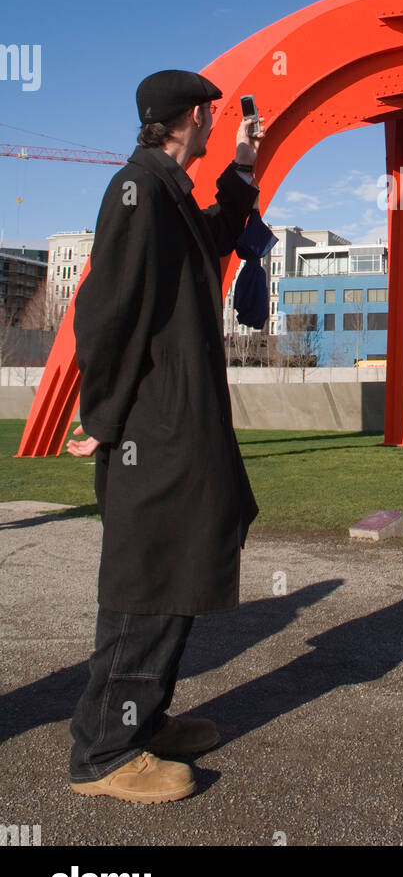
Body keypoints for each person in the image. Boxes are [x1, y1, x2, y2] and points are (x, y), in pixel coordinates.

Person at [65, 69, 264, 803]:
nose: (216, 123)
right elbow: (104, 311)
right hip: (153, 423)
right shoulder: (136, 190)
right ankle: (105, 753)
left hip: (181, 420)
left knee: (183, 561)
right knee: (146, 577)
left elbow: (216, 238)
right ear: (187, 117)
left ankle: (139, 719)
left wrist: (243, 169)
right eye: (210, 115)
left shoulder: (167, 189)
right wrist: (101, 421)